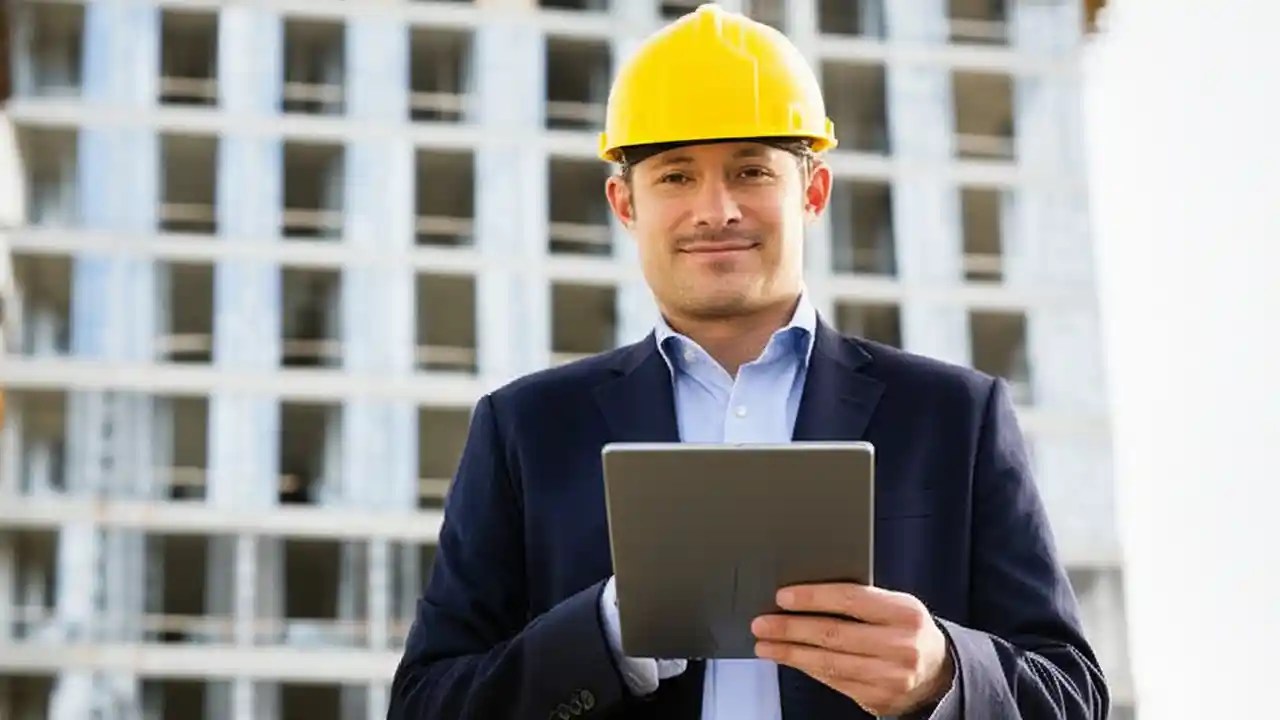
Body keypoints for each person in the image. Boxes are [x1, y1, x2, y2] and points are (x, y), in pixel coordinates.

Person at [388, 4, 1109, 719]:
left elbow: (1072, 695)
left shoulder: (954, 417)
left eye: (752, 172)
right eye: (675, 176)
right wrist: (606, 634)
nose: (718, 210)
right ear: (624, 204)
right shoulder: (526, 430)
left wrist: (942, 674)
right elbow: (425, 705)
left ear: (813, 191)